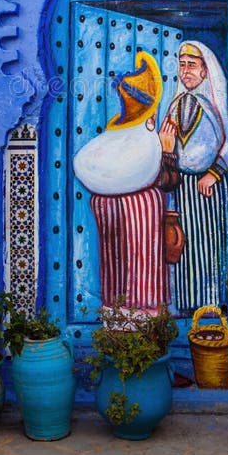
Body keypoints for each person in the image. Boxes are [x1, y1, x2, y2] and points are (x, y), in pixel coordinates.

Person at [73, 51, 170, 311]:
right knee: (121, 269)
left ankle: (130, 323)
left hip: (128, 214)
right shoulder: (139, 139)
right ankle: (130, 323)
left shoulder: (129, 140)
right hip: (129, 215)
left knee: (128, 272)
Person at [159, 41, 228, 314]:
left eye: (192, 65)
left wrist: (214, 174)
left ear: (205, 70)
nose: (186, 70)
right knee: (183, 245)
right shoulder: (179, 103)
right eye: (182, 64)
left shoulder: (211, 103)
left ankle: (210, 302)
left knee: (208, 244)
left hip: (206, 189)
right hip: (181, 189)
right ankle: (187, 304)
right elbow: (168, 146)